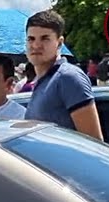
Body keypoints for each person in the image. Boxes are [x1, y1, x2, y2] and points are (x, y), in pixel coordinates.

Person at [22, 9, 103, 140]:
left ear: (59, 43)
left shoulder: (68, 77)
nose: (36, 45)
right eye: (31, 39)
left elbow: (94, 143)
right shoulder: (43, 81)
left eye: (45, 39)